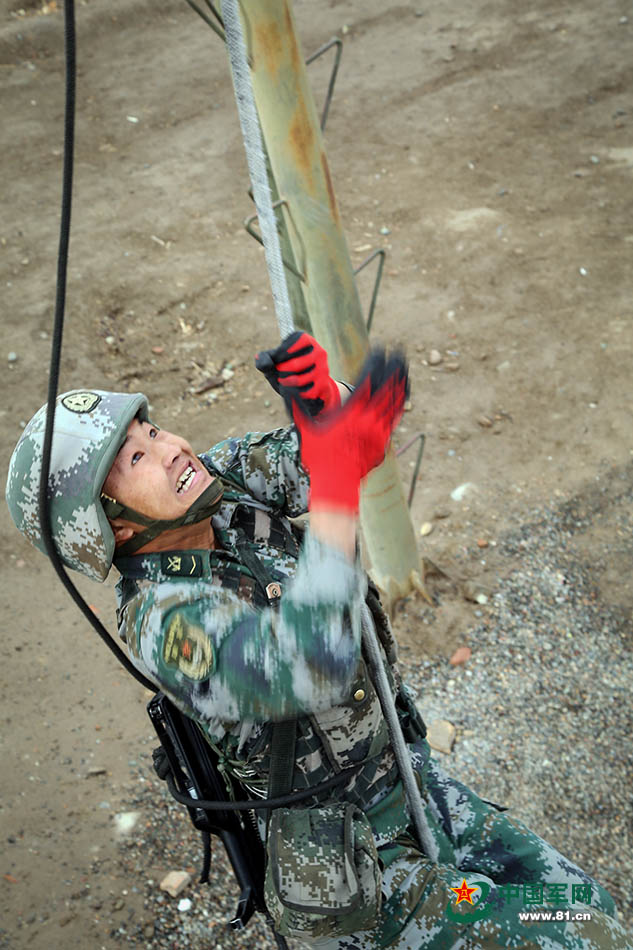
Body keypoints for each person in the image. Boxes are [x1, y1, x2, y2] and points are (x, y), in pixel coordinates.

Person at [6, 333, 629, 949]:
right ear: (109, 528)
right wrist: (335, 480)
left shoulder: (220, 484)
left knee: (581, 907)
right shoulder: (162, 623)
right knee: (583, 936)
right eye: (137, 459)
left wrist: (329, 403)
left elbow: (348, 452)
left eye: (153, 430)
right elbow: (310, 662)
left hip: (413, 786)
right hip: (360, 871)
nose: (170, 449)